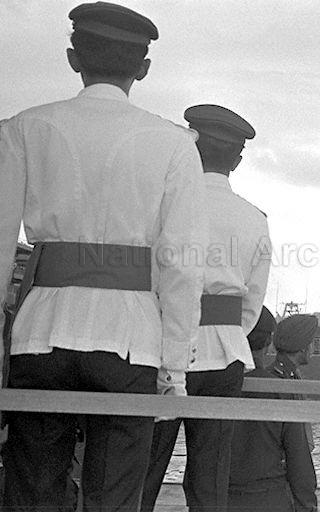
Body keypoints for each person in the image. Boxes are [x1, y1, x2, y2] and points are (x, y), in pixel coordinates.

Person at [0, 3, 206, 510]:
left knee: (33, 492)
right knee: (114, 498)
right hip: (130, 340)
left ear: (74, 59)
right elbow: (181, 265)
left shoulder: (24, 128)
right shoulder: (175, 146)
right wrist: (174, 368)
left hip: (42, 332)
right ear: (143, 68)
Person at [142, 104, 271, 511]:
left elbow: (149, 276)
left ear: (190, 145)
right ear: (237, 160)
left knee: (144, 469)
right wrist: (228, 331)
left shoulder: (162, 203)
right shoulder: (255, 219)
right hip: (226, 353)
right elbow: (253, 301)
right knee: (210, 478)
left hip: (162, 345)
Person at [228, 308, 318, 512]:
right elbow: (298, 456)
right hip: (269, 494)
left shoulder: (221, 387)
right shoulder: (279, 387)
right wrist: (307, 505)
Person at [268, 314, 319, 451]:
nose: (313, 347)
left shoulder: (290, 376)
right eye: (311, 342)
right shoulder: (278, 383)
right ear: (303, 347)